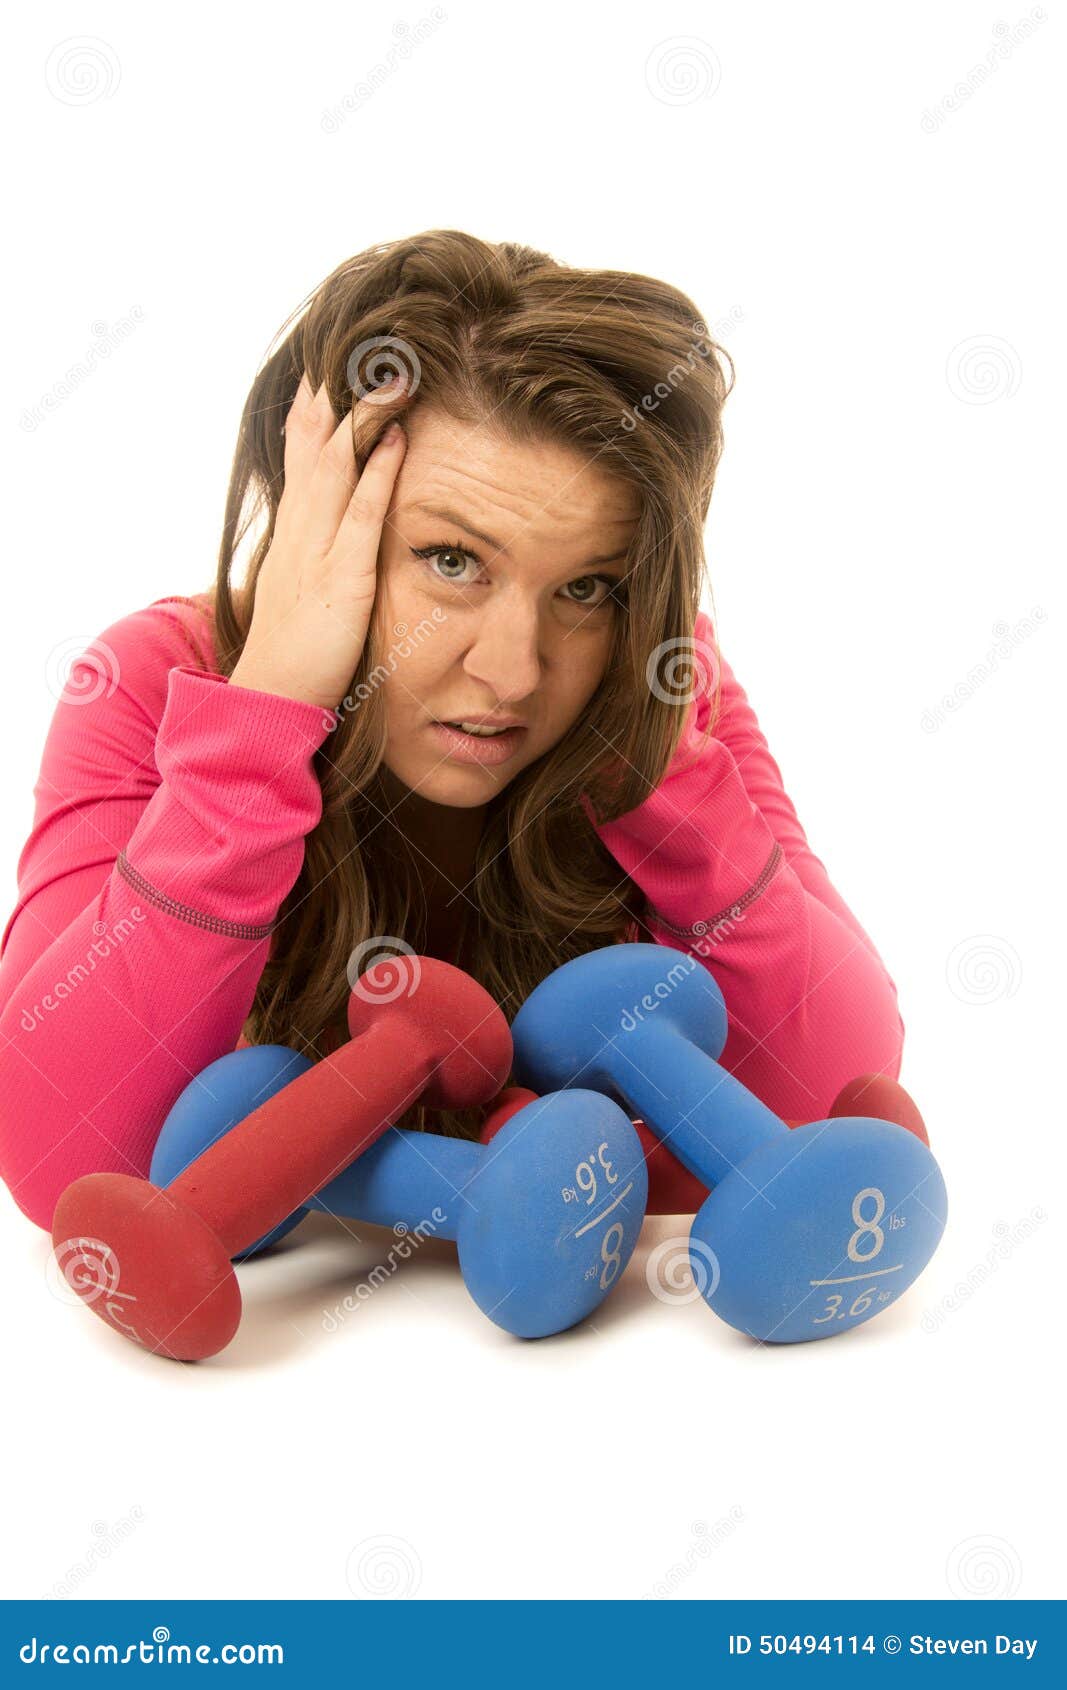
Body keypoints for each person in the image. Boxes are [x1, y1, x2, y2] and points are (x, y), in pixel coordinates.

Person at [0, 229, 903, 1234]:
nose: (512, 671)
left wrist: (651, 752)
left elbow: (832, 1093)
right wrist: (257, 731)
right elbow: (62, 1161)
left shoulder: (656, 687)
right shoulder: (153, 682)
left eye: (585, 585)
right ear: (312, 526)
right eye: (451, 561)